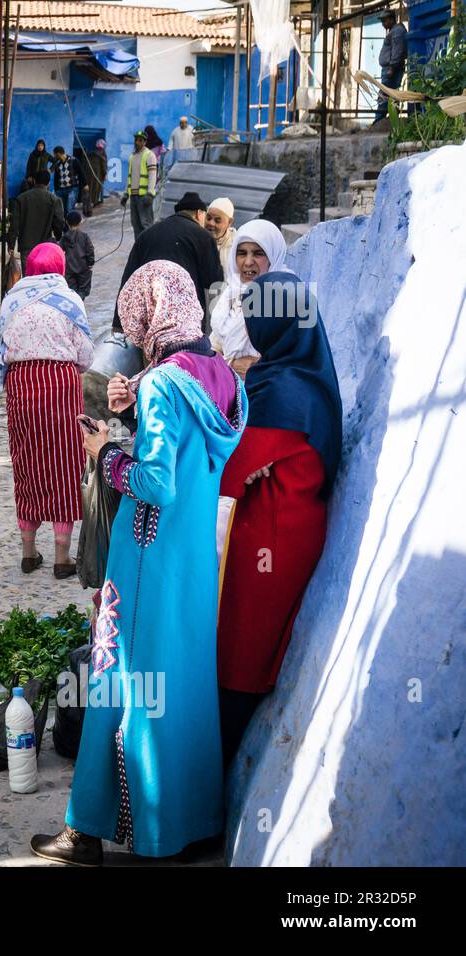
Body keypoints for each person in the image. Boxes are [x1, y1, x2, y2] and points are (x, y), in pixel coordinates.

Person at [31, 260, 246, 865]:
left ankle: (87, 831)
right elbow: (185, 451)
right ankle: (189, 822)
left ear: (151, 314)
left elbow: (155, 482)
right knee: (182, 689)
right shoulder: (224, 377)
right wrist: (134, 412)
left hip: (148, 557)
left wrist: (105, 452)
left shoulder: (161, 384)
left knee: (118, 682)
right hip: (193, 566)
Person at [217, 270, 342, 768]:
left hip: (272, 538)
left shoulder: (284, 394)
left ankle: (213, 786)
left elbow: (232, 471)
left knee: (242, 655)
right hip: (287, 524)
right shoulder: (305, 371)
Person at [0, 242, 94, 576]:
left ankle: (28, 552)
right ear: (60, 267)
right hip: (60, 383)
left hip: (21, 383)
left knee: (27, 460)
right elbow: (85, 355)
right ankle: (62, 557)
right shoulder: (69, 301)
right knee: (64, 462)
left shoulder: (12, 301)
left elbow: (2, 347)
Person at [114, 190, 223, 334]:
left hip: (149, 319)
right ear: (198, 213)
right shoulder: (202, 236)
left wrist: (118, 325)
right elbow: (214, 282)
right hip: (185, 322)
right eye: (205, 216)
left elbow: (127, 280)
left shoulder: (146, 235)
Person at [211, 219, 288, 378]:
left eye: (258, 254)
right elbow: (215, 344)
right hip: (227, 391)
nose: (248, 262)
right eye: (242, 253)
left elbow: (292, 357)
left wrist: (256, 367)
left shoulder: (285, 297)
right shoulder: (231, 294)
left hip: (265, 393)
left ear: (273, 256)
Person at [7, 170, 66, 263]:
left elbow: (14, 224)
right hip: (45, 247)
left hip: (26, 246)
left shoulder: (21, 199)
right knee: (42, 275)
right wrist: (58, 237)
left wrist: (11, 244)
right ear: (48, 183)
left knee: (28, 276)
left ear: (34, 181)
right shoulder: (55, 200)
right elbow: (59, 222)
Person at [123, 131, 158, 238]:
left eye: (140, 140)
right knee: (136, 224)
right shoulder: (132, 156)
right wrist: (126, 194)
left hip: (144, 196)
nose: (137, 142)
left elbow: (153, 176)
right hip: (133, 196)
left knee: (146, 224)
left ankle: (148, 250)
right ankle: (138, 250)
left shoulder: (149, 155)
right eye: (136, 140)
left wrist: (150, 193)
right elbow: (130, 177)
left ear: (145, 142)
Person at [376, 11, 408, 118]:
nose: (383, 24)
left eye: (384, 21)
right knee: (391, 96)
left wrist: (392, 68)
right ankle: (390, 121)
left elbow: (397, 51)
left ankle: (378, 121)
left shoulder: (397, 31)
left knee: (384, 96)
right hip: (390, 69)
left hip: (391, 70)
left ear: (391, 19)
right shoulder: (394, 31)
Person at [59, 211, 95, 299]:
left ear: (67, 222)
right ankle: (80, 304)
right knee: (83, 291)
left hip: (69, 270)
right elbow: (90, 251)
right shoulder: (84, 236)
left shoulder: (64, 238)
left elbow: (59, 252)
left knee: (71, 291)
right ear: (80, 222)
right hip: (83, 268)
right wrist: (90, 263)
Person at [205, 197, 237, 278]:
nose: (211, 223)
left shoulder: (237, 245)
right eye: (208, 218)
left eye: (217, 220)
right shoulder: (196, 239)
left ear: (229, 222)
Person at [50, 146, 78, 215]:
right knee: (61, 211)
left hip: (72, 189)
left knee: (69, 210)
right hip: (61, 190)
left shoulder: (73, 160)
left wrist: (85, 185)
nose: (54, 156)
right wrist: (56, 190)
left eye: (55, 154)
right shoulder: (57, 163)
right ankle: (64, 225)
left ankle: (70, 224)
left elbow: (81, 173)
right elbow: (56, 177)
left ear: (59, 154)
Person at [72, 146, 93, 215]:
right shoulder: (82, 160)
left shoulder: (82, 160)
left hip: (83, 180)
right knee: (85, 196)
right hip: (83, 180)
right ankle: (87, 210)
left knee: (85, 196)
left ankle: (87, 210)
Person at [89, 139, 108, 206]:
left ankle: (90, 202)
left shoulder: (92, 153)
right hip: (99, 174)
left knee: (91, 187)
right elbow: (104, 164)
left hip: (91, 174)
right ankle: (95, 202)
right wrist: (105, 174)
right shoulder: (103, 152)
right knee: (97, 188)